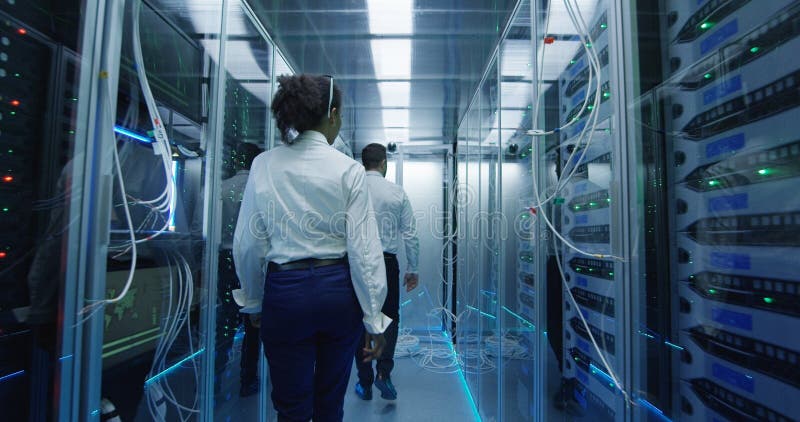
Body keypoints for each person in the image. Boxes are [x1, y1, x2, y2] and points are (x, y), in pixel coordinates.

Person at [232, 74, 390, 422]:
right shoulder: (349, 169)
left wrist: (254, 299)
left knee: (290, 408)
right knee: (330, 405)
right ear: (332, 114)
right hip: (337, 292)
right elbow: (364, 252)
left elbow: (247, 244)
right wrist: (373, 320)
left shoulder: (264, 165)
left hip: (284, 293)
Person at [353, 143, 420, 401]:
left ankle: (364, 381)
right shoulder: (397, 193)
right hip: (387, 262)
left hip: (358, 261)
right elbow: (411, 235)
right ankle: (384, 372)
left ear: (363, 163)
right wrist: (413, 269)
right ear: (383, 163)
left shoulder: (353, 191)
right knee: (388, 317)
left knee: (361, 319)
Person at [218, 142, 263, 397]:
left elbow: (198, 230)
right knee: (253, 321)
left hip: (223, 259)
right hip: (252, 259)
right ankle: (248, 378)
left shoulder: (220, 189)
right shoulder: (260, 189)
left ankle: (215, 379)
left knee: (224, 320)